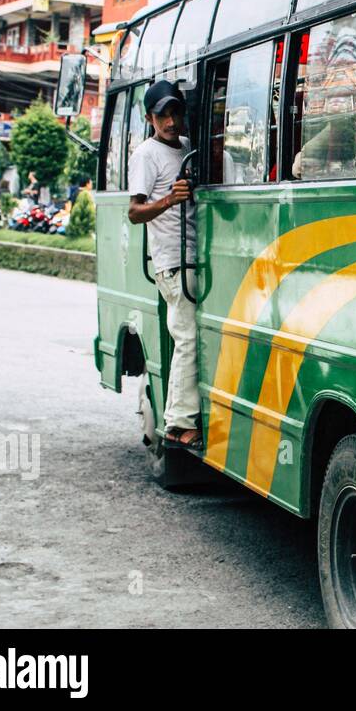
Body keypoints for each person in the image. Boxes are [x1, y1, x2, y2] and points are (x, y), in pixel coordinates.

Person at [126, 81, 200, 449]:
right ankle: (177, 424)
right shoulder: (146, 154)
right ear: (149, 118)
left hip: (195, 256)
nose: (171, 121)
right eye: (162, 115)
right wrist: (170, 199)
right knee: (186, 338)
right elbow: (135, 211)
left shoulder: (187, 147)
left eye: (176, 113)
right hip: (172, 261)